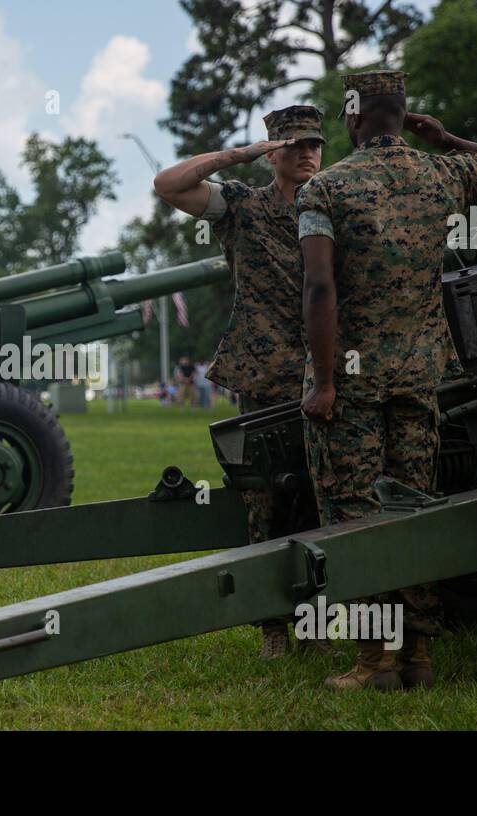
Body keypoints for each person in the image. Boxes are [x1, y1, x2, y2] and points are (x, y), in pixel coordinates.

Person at [298, 70, 477, 689]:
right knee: (415, 508)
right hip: (420, 376)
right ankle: (419, 658)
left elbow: (320, 288)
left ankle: (373, 661)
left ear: (352, 119)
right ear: (403, 117)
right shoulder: (444, 173)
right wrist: (451, 138)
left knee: (356, 513)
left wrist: (323, 383)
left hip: (351, 385)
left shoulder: (326, 188)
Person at [154, 104, 331, 657]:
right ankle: (273, 626)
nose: (307, 153)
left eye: (315, 144)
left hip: (325, 371)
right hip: (263, 374)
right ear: (273, 150)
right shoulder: (242, 207)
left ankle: (318, 624)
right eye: (295, 144)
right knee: (265, 501)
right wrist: (240, 154)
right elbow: (168, 184)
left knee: (323, 499)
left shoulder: (334, 204)